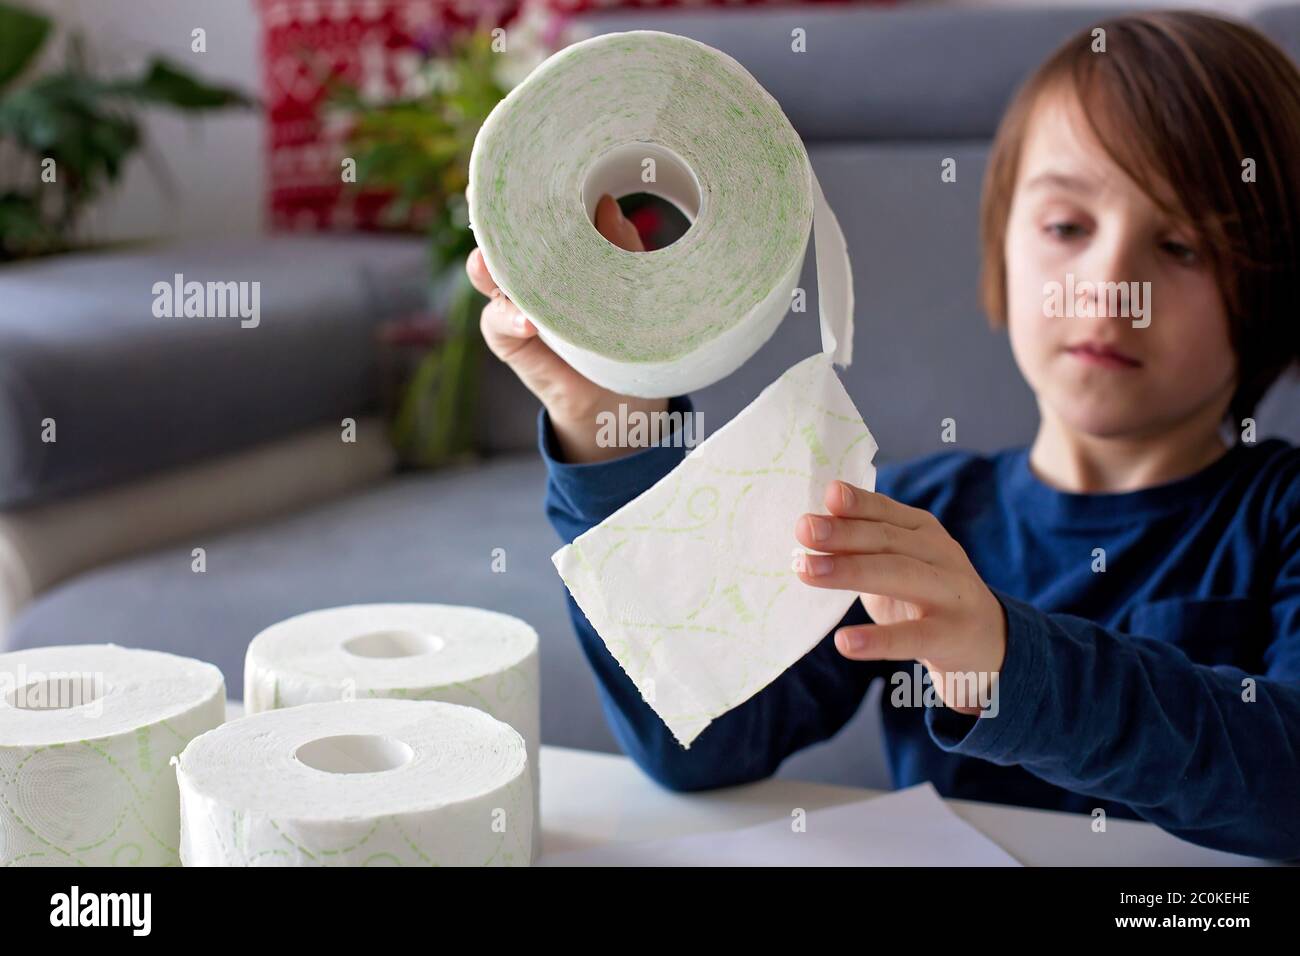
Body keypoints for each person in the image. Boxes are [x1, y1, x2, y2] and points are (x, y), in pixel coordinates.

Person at [466, 11, 1300, 859]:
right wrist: (608, 425)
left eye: (1181, 245)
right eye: (1066, 228)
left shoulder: (1284, 516)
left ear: (1273, 288)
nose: (1108, 284)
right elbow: (701, 738)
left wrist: (1008, 662)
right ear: (1001, 253)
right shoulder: (912, 516)